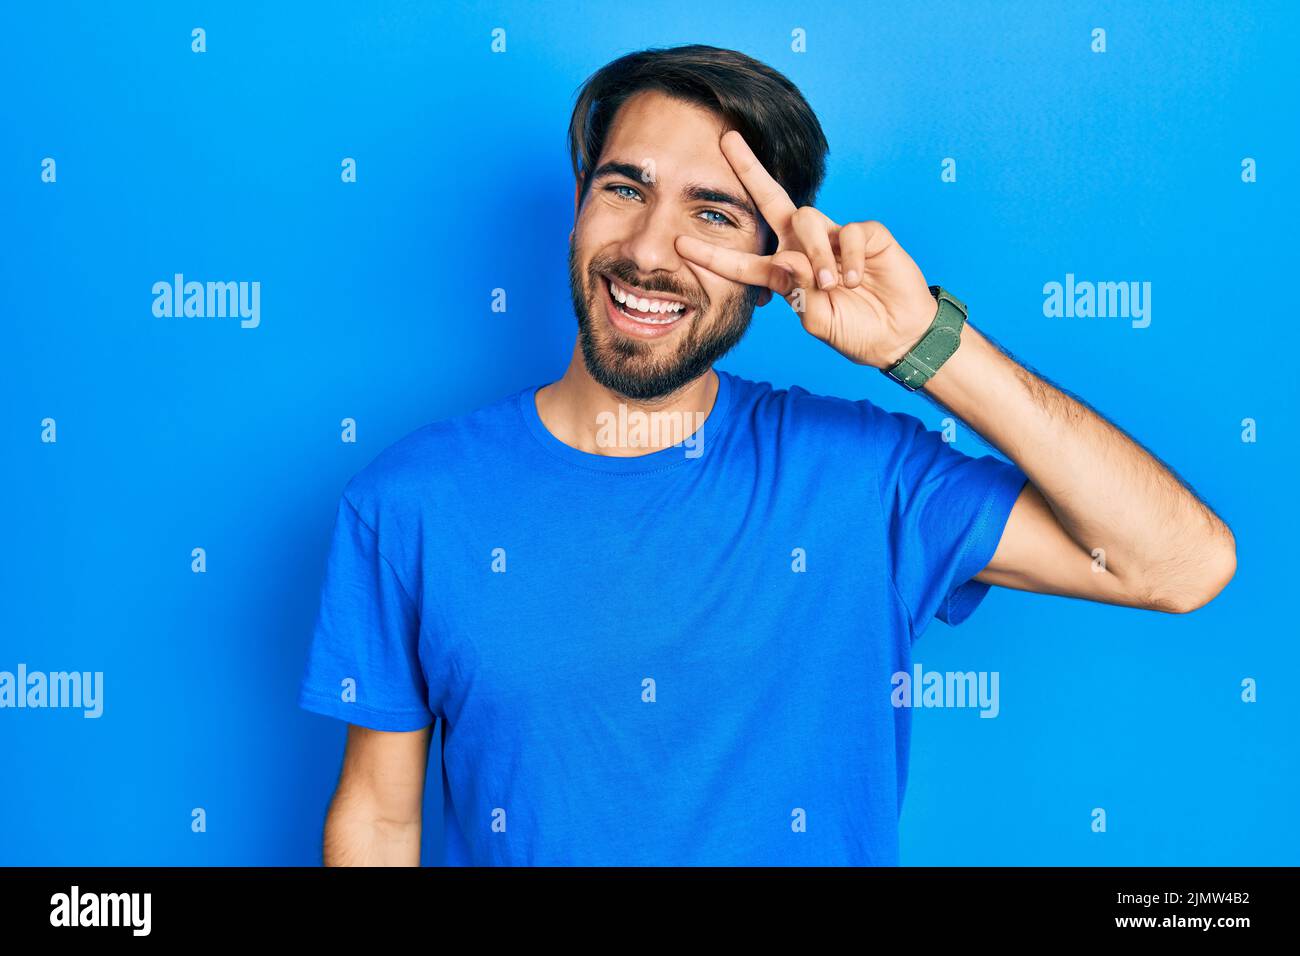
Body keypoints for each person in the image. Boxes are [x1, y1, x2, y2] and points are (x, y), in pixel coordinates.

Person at [297, 44, 1236, 866]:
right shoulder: (409, 502)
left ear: (771, 265)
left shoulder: (867, 480)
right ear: (578, 210)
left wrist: (923, 344)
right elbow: (380, 817)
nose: (649, 249)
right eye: (625, 189)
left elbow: (1180, 565)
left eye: (712, 215)